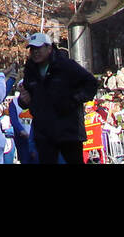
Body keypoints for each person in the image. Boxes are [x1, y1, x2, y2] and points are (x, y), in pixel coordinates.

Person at [16, 31, 98, 166]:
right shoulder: (30, 70)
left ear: (49, 48)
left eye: (39, 48)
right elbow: (26, 96)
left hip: (68, 130)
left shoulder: (66, 65)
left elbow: (91, 84)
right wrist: (23, 101)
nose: (35, 52)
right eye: (32, 49)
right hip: (44, 132)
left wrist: (73, 100)